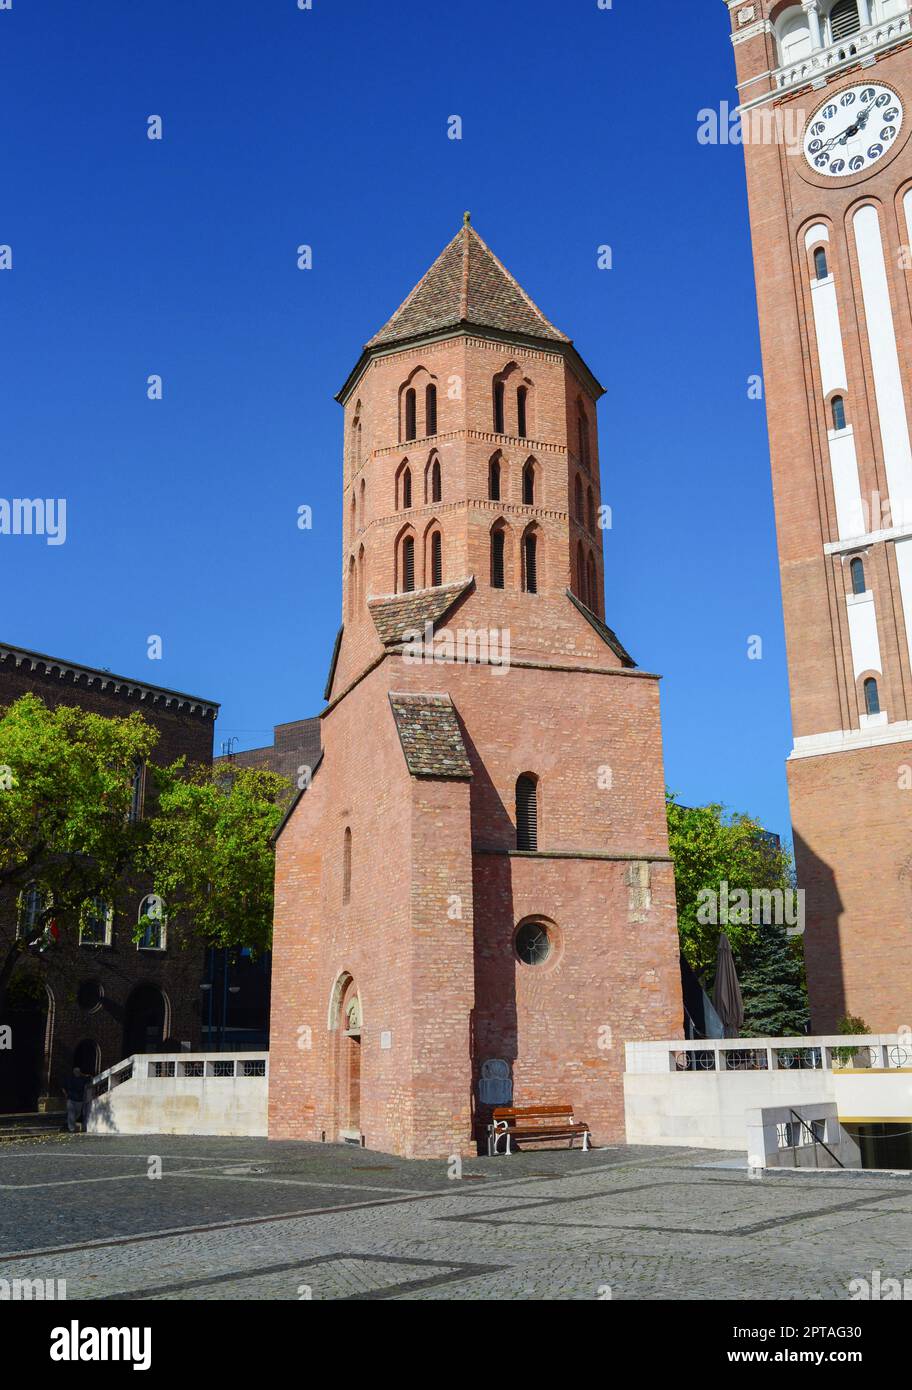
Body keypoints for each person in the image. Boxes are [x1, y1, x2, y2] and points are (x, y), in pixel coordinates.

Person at [63, 1067, 88, 1134]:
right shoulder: (70, 1079)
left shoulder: (83, 1079)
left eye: (78, 1072)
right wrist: (66, 1095)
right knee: (71, 1113)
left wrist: (83, 1075)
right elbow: (63, 1087)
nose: (77, 1073)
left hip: (79, 1099)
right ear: (73, 1072)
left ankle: (68, 1122)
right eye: (75, 1071)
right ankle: (72, 1128)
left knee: (78, 1113)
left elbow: (90, 1078)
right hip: (71, 1098)